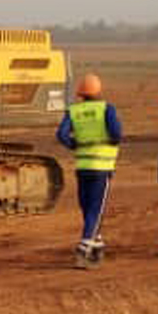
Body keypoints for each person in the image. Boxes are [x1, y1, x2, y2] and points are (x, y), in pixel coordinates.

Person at [56, 73, 123, 270]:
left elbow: (61, 134)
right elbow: (117, 134)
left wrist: (74, 144)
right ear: (98, 90)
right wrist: (112, 141)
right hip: (101, 168)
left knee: (88, 209)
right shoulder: (106, 109)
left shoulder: (73, 111)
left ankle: (97, 247)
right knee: (96, 210)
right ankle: (84, 248)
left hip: (82, 167)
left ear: (81, 93)